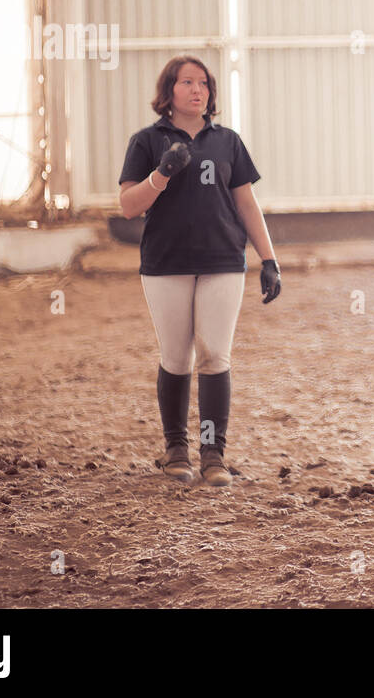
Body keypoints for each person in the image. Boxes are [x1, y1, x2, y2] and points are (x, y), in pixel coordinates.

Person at [118, 55, 282, 485]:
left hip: (223, 261)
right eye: (187, 82)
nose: (197, 90)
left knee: (215, 355)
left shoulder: (227, 141)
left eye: (204, 83)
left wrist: (269, 258)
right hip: (166, 264)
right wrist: (160, 175)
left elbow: (246, 203)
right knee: (176, 357)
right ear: (168, 91)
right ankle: (176, 449)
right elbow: (129, 206)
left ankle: (213, 454)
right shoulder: (146, 141)